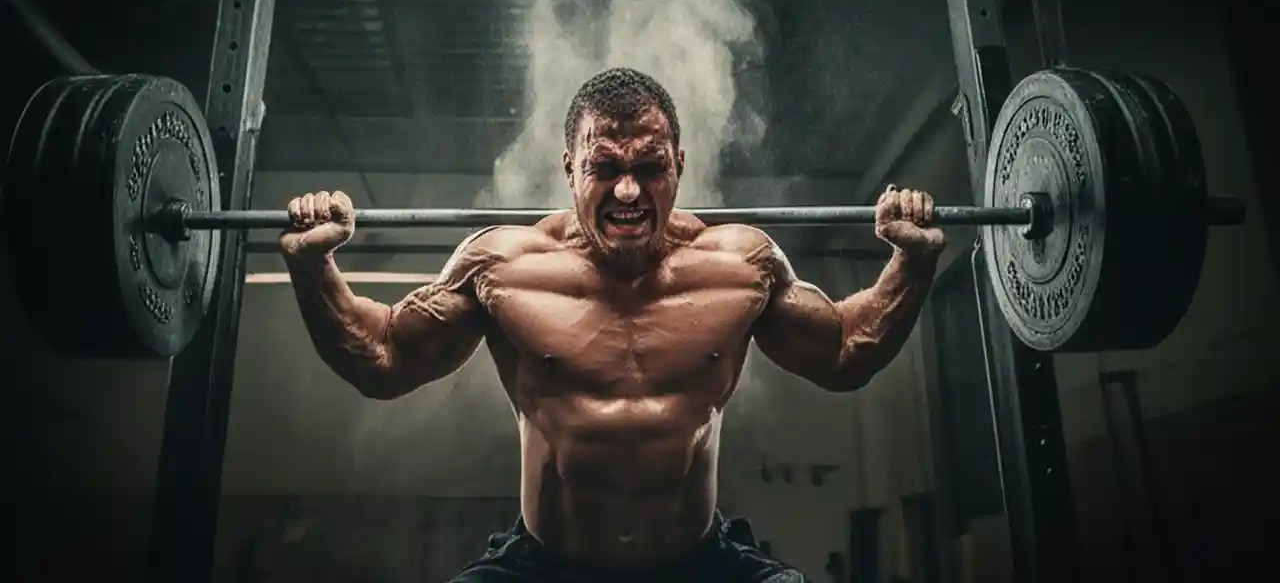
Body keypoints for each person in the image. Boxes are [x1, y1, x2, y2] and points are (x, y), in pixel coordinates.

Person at [279, 67, 945, 582]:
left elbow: (844, 352)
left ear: (678, 166)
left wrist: (911, 264)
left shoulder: (741, 265)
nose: (628, 191)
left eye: (649, 167)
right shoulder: (503, 268)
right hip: (544, 566)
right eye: (606, 167)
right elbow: (384, 357)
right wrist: (314, 268)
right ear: (571, 168)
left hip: (699, 562)